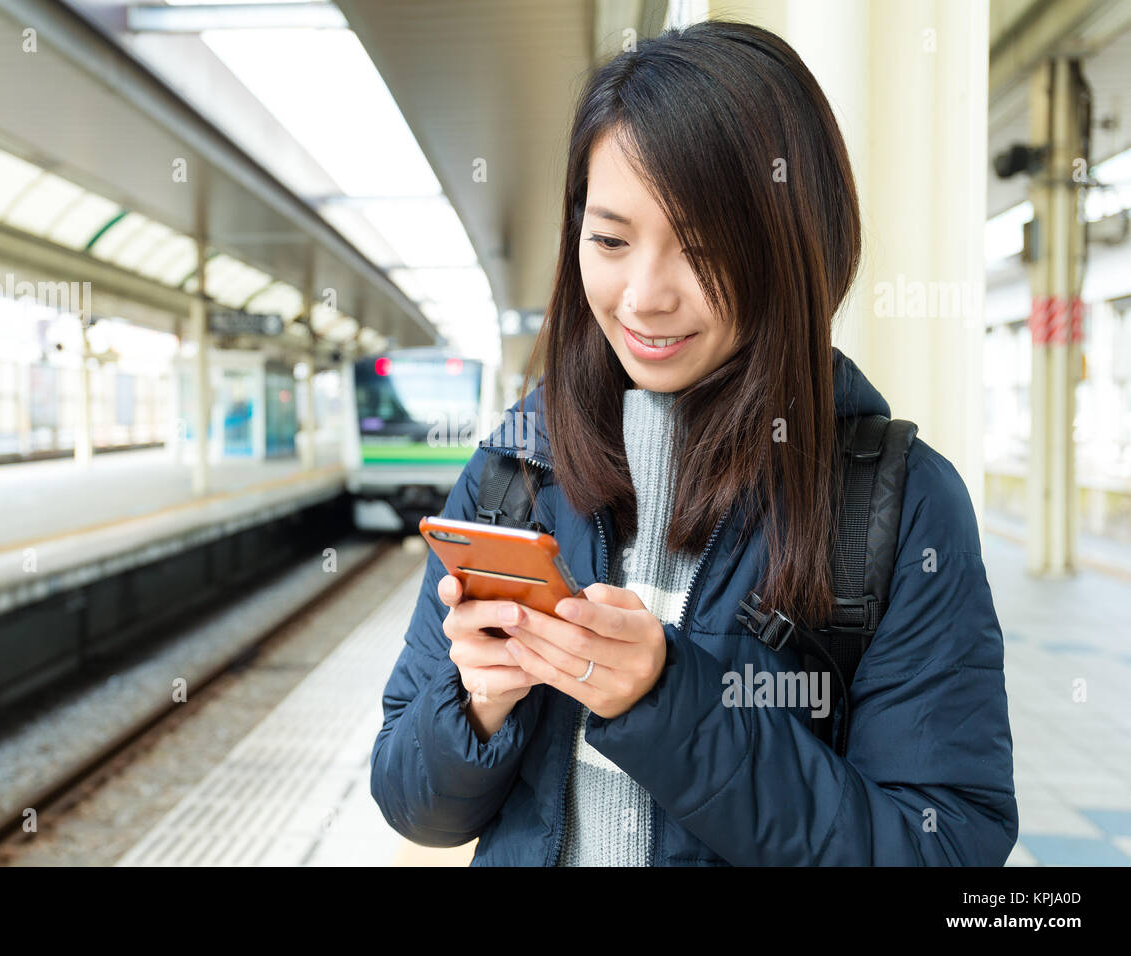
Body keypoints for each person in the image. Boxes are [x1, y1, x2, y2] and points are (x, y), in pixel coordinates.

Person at [369, 19, 1018, 866]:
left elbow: (945, 846)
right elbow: (412, 804)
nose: (642, 298)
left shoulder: (897, 505)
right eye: (608, 240)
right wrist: (478, 704)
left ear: (796, 248)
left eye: (702, 250)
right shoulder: (517, 467)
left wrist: (666, 701)